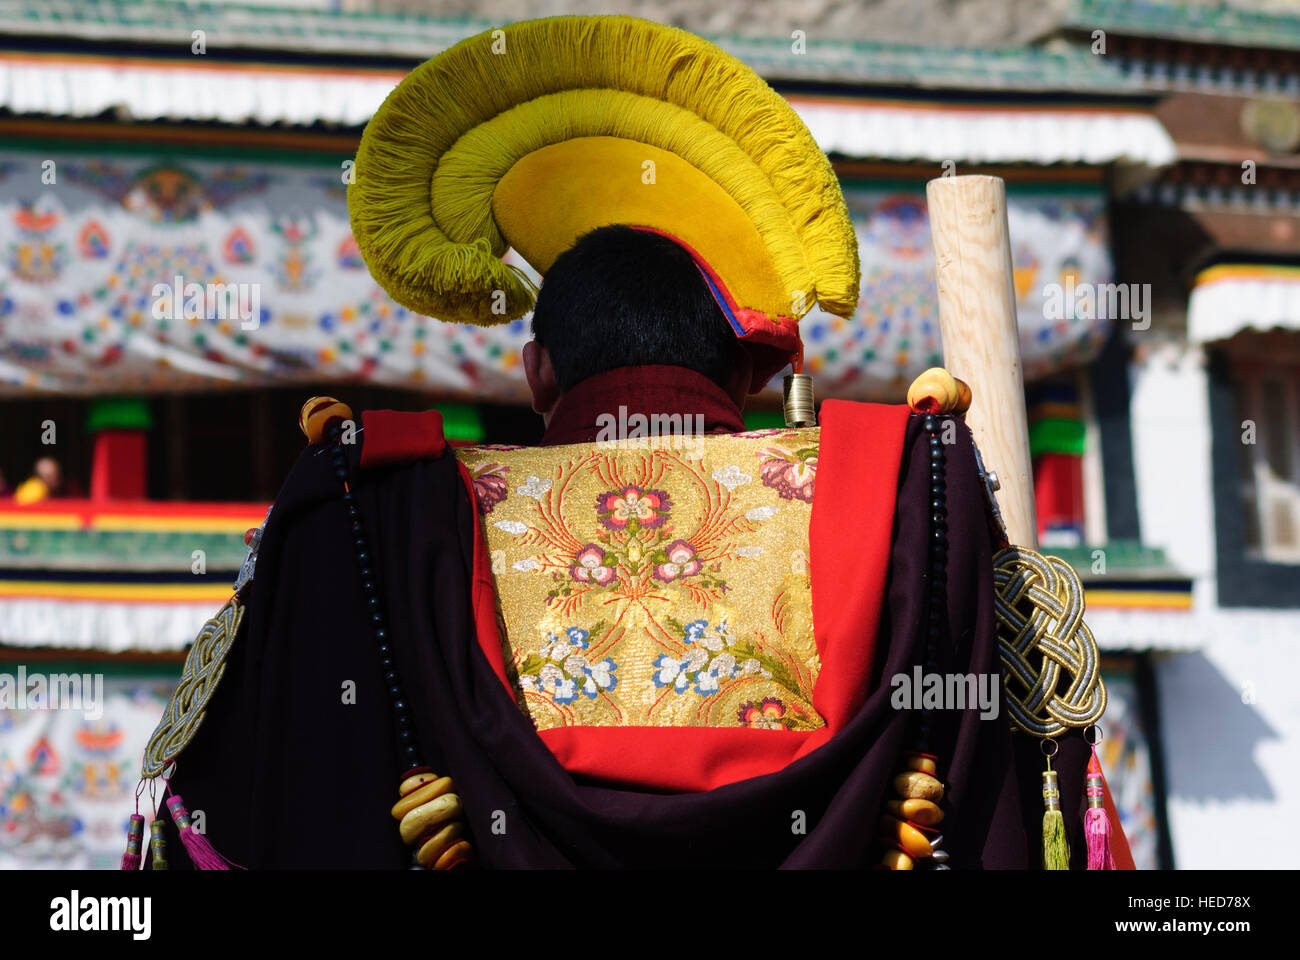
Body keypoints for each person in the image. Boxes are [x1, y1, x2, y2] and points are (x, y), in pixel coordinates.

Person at [134, 15, 1129, 870]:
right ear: (752, 376)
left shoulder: (368, 505)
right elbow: (1021, 801)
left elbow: (250, 801)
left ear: (537, 376)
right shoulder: (917, 491)